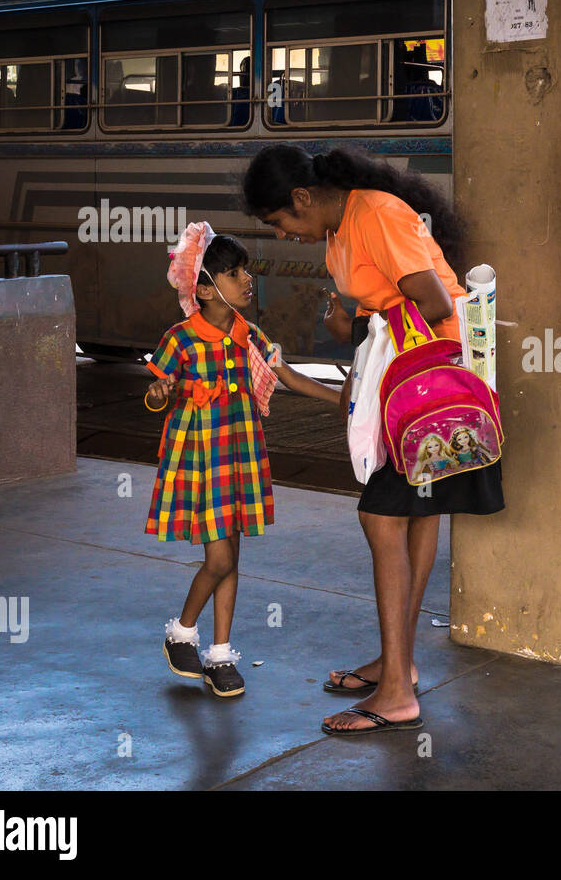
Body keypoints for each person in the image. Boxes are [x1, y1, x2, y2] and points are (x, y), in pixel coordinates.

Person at [241, 146, 505, 734]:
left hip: (429, 389)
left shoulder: (377, 213)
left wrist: (357, 325)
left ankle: (396, 695)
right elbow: (394, 304)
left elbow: (434, 303)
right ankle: (398, 666)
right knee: (416, 518)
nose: (284, 235)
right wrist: (355, 328)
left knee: (381, 518)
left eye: (280, 221)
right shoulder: (341, 226)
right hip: (410, 383)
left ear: (302, 198)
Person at [147, 229, 341, 697]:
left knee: (232, 557)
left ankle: (219, 654)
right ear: (207, 288)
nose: (247, 279)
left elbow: (284, 373)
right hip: (199, 461)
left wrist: (340, 400)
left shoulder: (247, 334)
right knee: (220, 558)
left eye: (246, 270)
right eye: (235, 273)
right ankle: (182, 633)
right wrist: (159, 393)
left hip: (239, 457)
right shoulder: (181, 339)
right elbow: (155, 390)